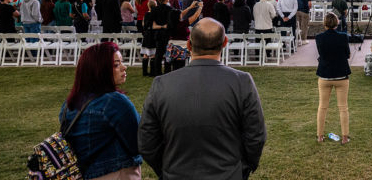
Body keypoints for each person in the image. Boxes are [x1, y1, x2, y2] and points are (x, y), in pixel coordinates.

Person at [139, 18, 266, 179]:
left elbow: (147, 140)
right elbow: (256, 135)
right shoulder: (241, 82)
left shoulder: (162, 84)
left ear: (189, 45)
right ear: (225, 43)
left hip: (184, 172)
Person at [59, 42, 142, 179]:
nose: (124, 67)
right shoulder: (114, 101)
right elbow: (138, 144)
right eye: (116, 65)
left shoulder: (68, 105)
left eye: (122, 62)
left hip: (85, 174)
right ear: (99, 69)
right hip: (117, 173)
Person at [315, 13, 351, 143]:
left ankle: (320, 136)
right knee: (343, 107)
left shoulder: (319, 37)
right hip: (341, 74)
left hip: (325, 75)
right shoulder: (343, 37)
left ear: (325, 23)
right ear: (337, 23)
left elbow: (321, 53)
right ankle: (345, 137)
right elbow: (347, 54)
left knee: (322, 106)